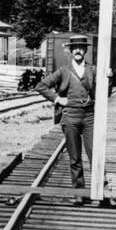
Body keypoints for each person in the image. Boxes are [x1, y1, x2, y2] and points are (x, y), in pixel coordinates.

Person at [36, 35, 96, 202]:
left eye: (81, 47)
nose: (77, 50)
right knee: (75, 157)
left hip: (90, 117)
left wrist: (110, 78)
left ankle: (104, 192)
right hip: (70, 117)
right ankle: (79, 194)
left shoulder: (94, 70)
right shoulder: (63, 71)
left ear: (85, 50)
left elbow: (105, 94)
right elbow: (41, 86)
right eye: (74, 47)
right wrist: (57, 99)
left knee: (96, 155)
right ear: (71, 51)